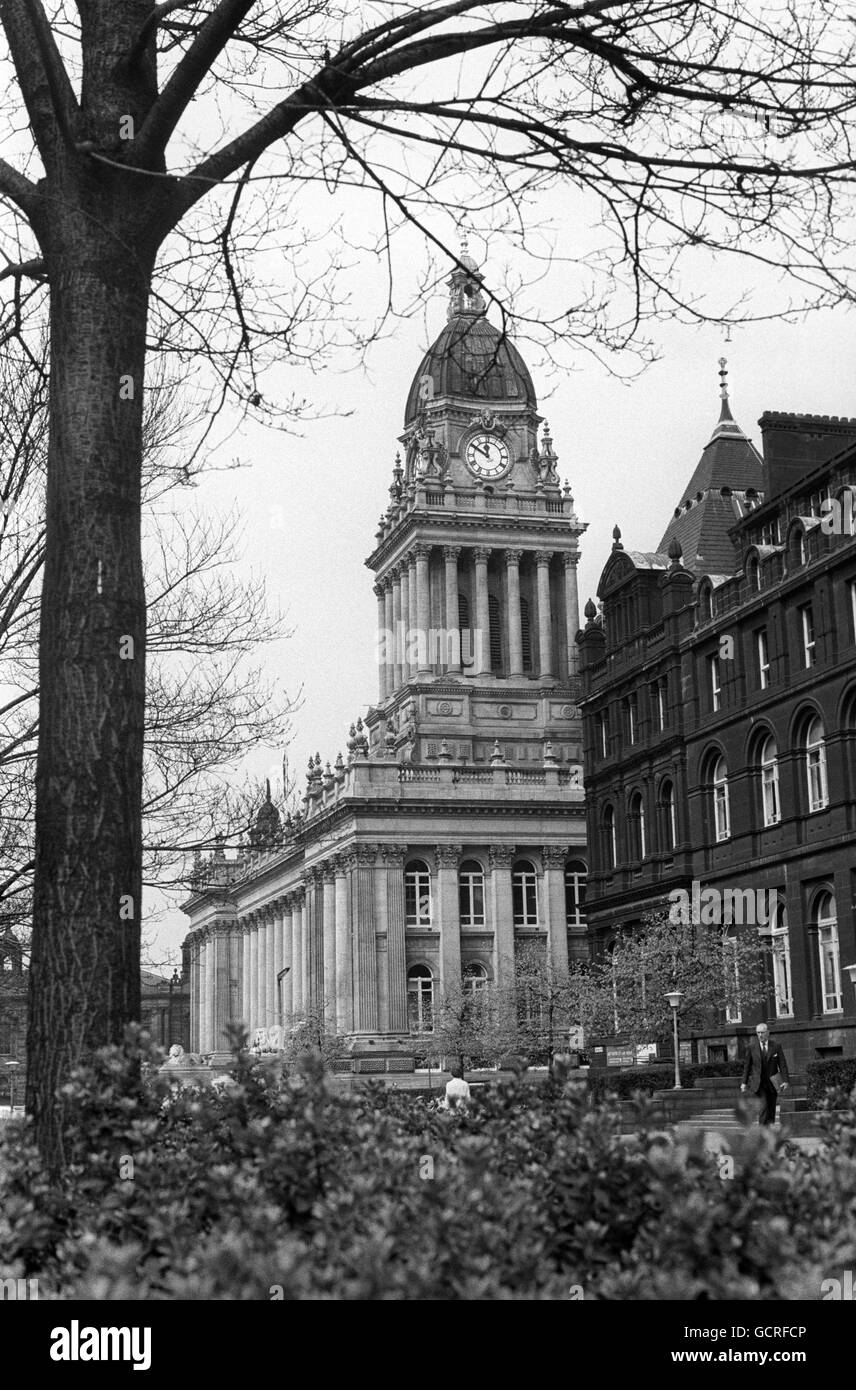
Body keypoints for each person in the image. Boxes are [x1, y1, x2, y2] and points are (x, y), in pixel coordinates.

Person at [741, 1022, 789, 1126]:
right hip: (759, 1084)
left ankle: (769, 1132)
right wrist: (744, 1083)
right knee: (763, 1108)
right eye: (758, 1033)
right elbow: (747, 1066)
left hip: (773, 1083)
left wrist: (785, 1080)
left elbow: (782, 1064)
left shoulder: (776, 1046)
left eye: (762, 1032)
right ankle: (762, 1134)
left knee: (771, 1109)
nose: (760, 1035)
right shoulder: (751, 1047)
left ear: (768, 1033)